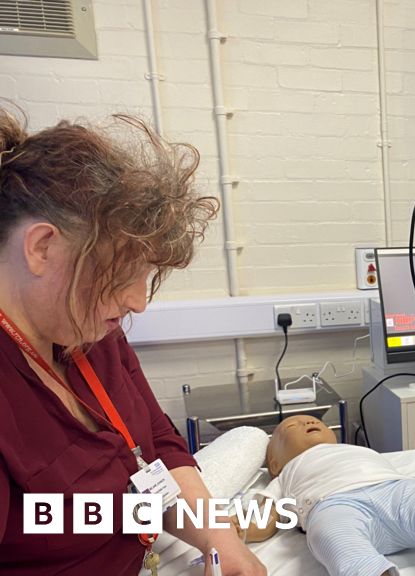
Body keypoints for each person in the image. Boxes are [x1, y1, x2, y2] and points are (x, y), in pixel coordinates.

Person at [0, 108, 265, 575]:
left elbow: (157, 443)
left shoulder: (87, 328)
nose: (138, 302)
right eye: (123, 274)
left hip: (144, 539)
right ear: (42, 247)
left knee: (251, 437)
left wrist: (224, 546)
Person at [237, 415, 415, 576]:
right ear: (275, 464)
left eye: (315, 421)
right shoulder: (287, 473)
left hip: (393, 491)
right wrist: (240, 527)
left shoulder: (360, 452)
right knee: (331, 537)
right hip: (335, 505)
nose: (306, 424)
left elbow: (404, 479)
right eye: (291, 427)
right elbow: (270, 514)